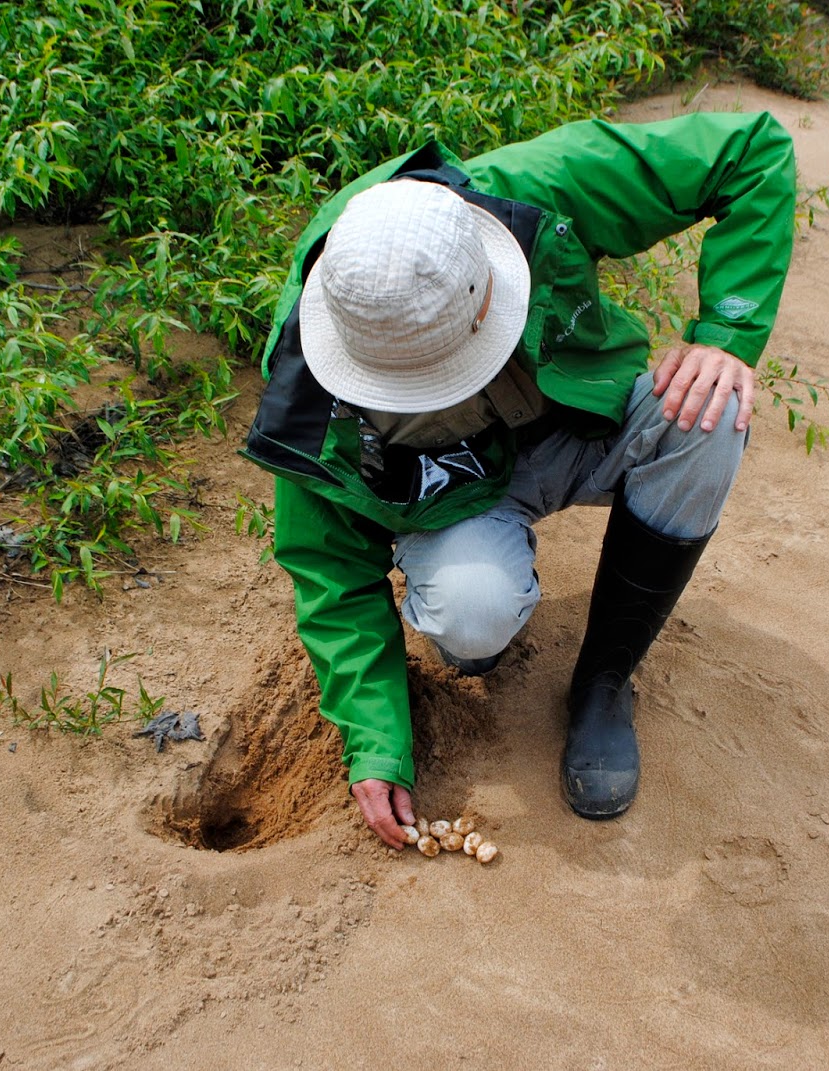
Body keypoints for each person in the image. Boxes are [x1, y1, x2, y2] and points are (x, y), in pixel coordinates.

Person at [241, 112, 797, 849]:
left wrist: (726, 334)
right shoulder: (310, 386)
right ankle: (478, 645)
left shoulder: (534, 192)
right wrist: (376, 746)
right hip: (454, 497)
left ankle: (603, 683)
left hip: (580, 428)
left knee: (712, 412)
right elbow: (329, 571)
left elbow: (751, 151)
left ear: (488, 288)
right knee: (473, 614)